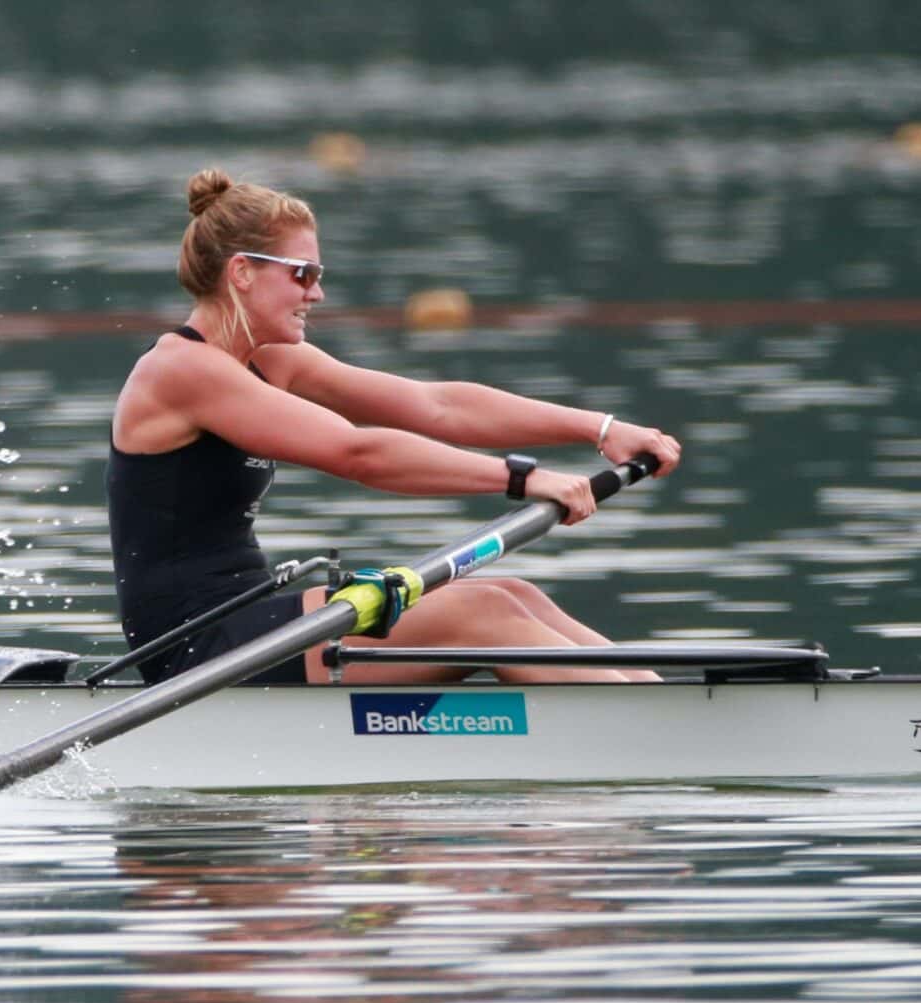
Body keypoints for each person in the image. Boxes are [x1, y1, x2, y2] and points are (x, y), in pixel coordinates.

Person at [109, 169, 683, 686]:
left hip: (250, 616)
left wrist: (600, 428)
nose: (317, 293)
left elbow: (438, 407)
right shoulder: (182, 371)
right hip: (193, 648)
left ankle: (658, 710)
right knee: (479, 615)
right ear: (242, 273)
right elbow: (359, 454)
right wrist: (522, 479)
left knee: (512, 593)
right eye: (302, 274)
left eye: (319, 273)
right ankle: (651, 749)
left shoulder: (269, 360)